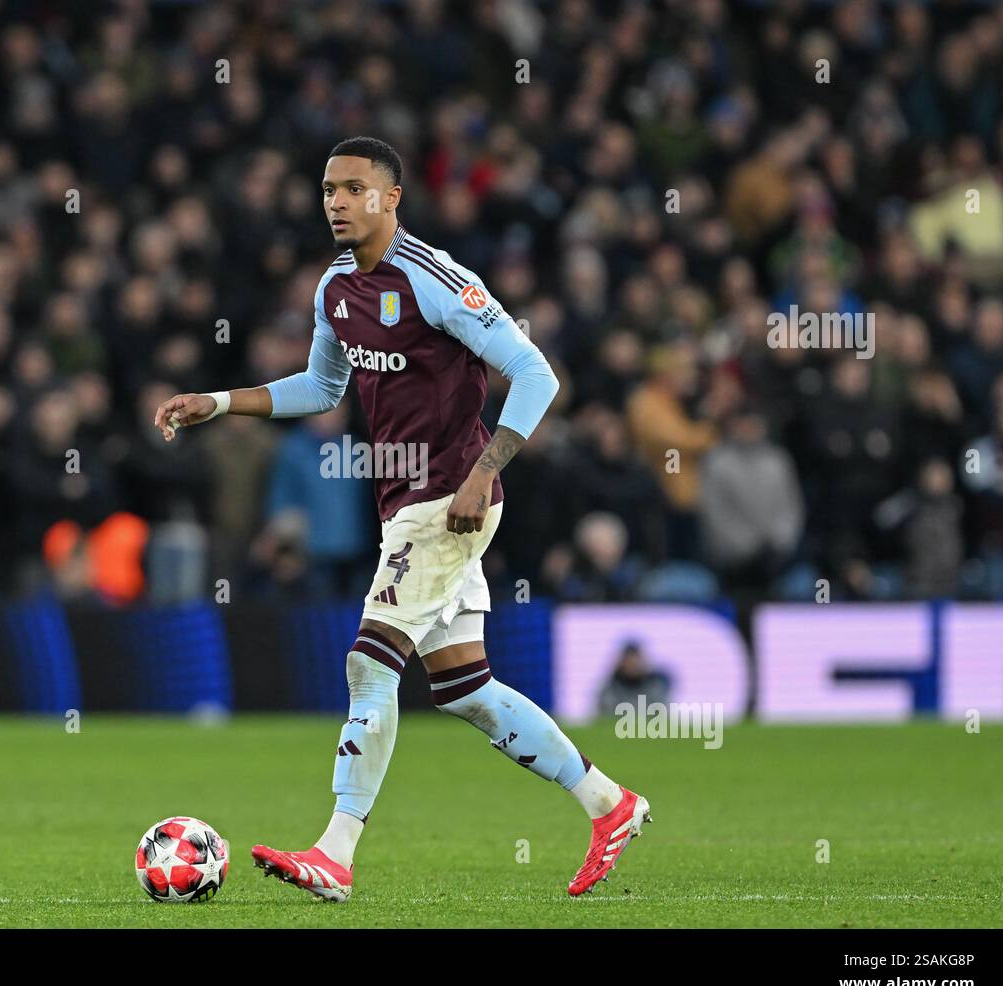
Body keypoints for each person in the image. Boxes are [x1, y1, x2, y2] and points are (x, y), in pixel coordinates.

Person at [154, 137, 651, 902]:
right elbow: (322, 388)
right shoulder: (334, 290)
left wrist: (485, 473)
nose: (337, 202)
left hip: (449, 500)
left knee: (368, 661)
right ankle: (608, 803)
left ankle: (336, 851)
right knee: (465, 690)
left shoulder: (436, 280)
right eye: (328, 190)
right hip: (404, 506)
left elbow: (535, 373)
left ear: (391, 198)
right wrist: (219, 403)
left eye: (354, 188)